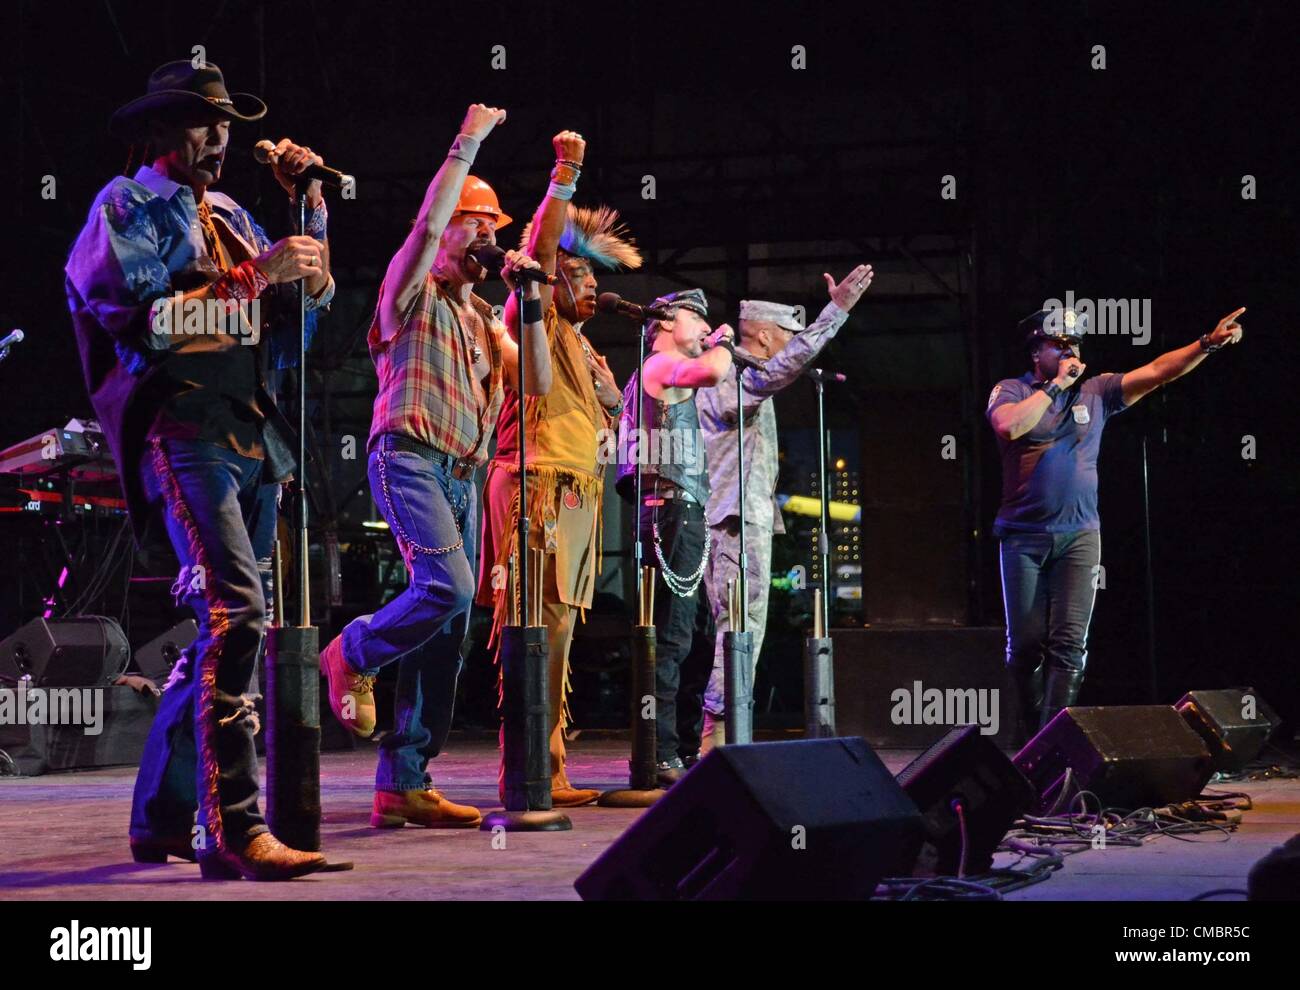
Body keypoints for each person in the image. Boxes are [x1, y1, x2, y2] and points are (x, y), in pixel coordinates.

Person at [65, 60, 335, 879]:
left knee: (222, 628)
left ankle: (160, 819)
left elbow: (289, 327)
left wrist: (311, 224)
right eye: (200, 120)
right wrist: (260, 274)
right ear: (155, 132)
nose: (221, 136)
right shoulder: (124, 206)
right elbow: (151, 325)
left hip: (250, 429)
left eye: (225, 121)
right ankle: (236, 828)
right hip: (181, 428)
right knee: (239, 612)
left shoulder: (225, 210)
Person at [319, 104, 552, 829]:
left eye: (495, 227)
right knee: (447, 590)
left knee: (445, 631)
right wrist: (468, 142)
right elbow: (423, 229)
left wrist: (534, 303)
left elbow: (536, 383)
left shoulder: (485, 320)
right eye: (477, 223)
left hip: (463, 475)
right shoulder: (410, 287)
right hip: (410, 457)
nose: (489, 235)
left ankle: (404, 782)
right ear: (452, 226)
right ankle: (349, 651)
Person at [987, 304, 1246, 739]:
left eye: (1075, 344)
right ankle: (1028, 732)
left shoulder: (1098, 390)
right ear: (1037, 351)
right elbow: (1010, 427)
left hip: (1080, 537)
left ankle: (1051, 748)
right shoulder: (1012, 389)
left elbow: (1158, 370)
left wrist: (1206, 344)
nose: (1070, 351)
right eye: (1059, 344)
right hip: (1022, 536)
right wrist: (1054, 388)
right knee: (1026, 644)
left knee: (1070, 644)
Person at [476, 130, 641, 807]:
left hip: (574, 492)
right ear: (555, 276)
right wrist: (565, 174)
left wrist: (610, 401)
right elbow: (540, 252)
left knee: (562, 631)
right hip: (535, 486)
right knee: (535, 625)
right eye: (584, 275)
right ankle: (532, 765)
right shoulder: (530, 313)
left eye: (597, 279)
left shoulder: (580, 345)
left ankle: (552, 763)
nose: (595, 287)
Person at [695, 265, 873, 752]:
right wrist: (834, 313)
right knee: (740, 626)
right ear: (768, 336)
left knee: (743, 625)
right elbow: (784, 366)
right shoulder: (731, 376)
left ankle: (726, 733)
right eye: (788, 339)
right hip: (731, 518)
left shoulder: (741, 377)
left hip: (741, 515)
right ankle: (720, 735)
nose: (793, 348)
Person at [616, 289, 733, 785]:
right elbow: (711, 371)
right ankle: (661, 752)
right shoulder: (660, 364)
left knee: (696, 637)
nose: (706, 326)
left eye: (710, 321)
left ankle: (679, 749)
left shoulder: (658, 370)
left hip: (681, 512)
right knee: (672, 636)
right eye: (696, 317)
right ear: (664, 322)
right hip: (670, 511)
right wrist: (726, 343)